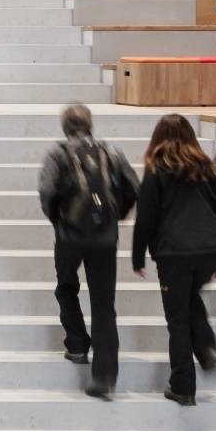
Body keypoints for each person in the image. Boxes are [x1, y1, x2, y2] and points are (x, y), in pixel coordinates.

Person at [38, 103, 139, 399]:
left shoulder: (58, 154)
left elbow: (46, 192)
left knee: (66, 286)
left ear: (65, 127)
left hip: (69, 235)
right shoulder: (112, 152)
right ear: (91, 125)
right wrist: (116, 216)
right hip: (105, 238)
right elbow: (133, 187)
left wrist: (58, 219)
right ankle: (105, 374)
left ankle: (77, 344)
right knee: (104, 303)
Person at [132, 113, 216, 406]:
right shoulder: (204, 166)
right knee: (190, 301)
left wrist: (138, 255)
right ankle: (205, 346)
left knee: (177, 320)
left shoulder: (156, 168)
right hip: (209, 249)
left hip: (174, 252)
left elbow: (146, 217)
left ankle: (183, 386)